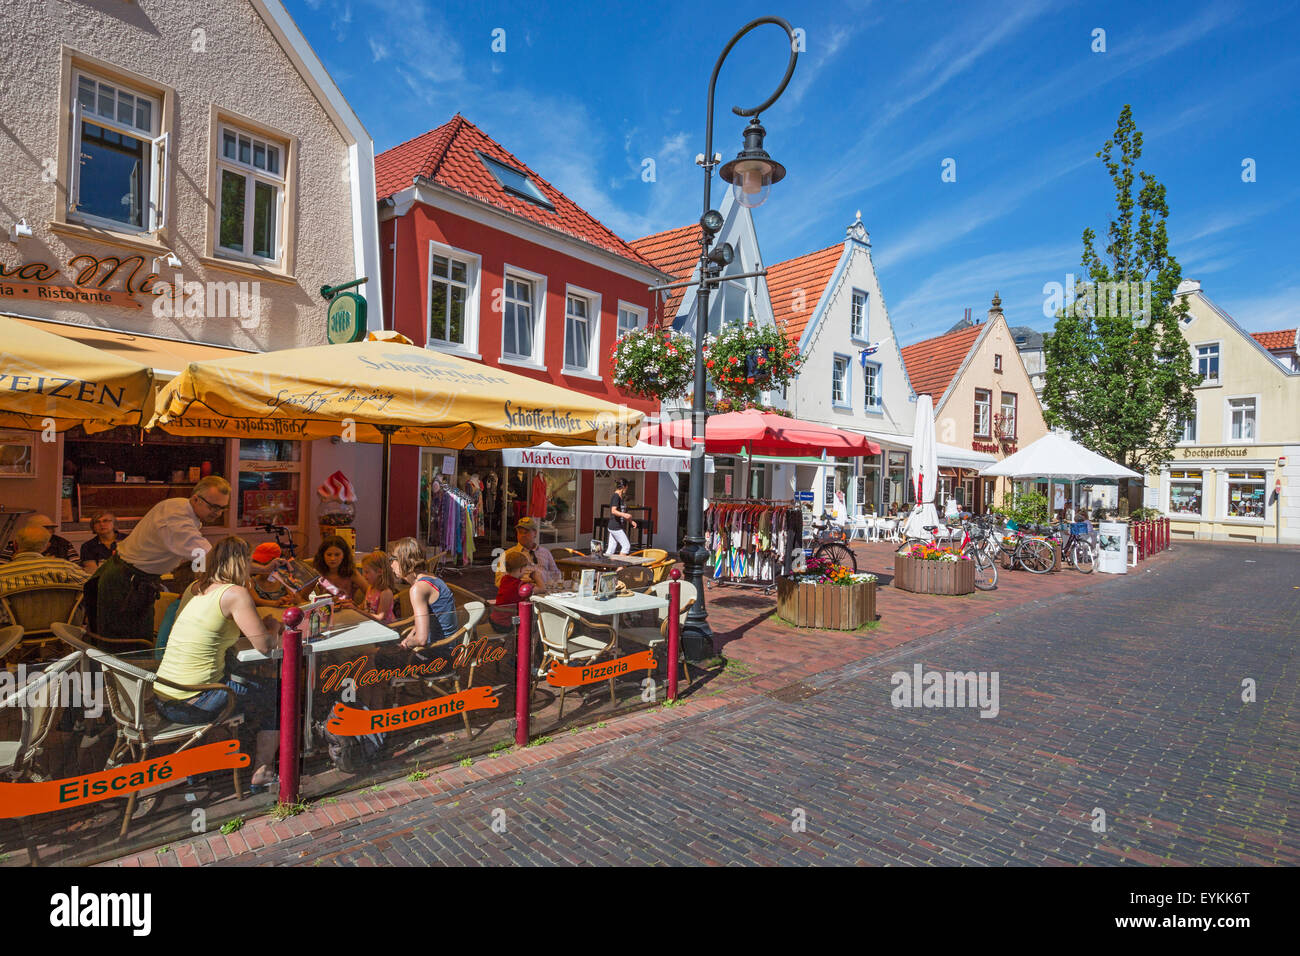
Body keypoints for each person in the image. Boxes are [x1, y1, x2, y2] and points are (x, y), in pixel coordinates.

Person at [154, 536, 282, 790]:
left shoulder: (196, 588)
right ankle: (263, 770)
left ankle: (213, 758)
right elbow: (266, 647)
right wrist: (273, 626)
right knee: (276, 694)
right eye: (248, 560)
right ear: (242, 562)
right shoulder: (235, 594)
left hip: (163, 695)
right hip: (196, 701)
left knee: (246, 683)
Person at [85, 476, 229, 641]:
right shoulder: (176, 519)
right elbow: (206, 554)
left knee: (136, 642)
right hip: (124, 582)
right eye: (213, 507)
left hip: (132, 578)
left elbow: (197, 555)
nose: (217, 513)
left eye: (223, 508)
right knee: (123, 647)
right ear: (196, 498)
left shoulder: (180, 505)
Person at [0, 525, 88, 625]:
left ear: (15, 545)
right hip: (62, 631)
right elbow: (93, 586)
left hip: (15, 635)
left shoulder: (2, 573)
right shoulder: (65, 567)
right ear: (46, 547)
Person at [388, 537, 459, 658]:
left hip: (436, 658)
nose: (390, 565)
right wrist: (411, 635)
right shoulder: (432, 578)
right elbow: (427, 620)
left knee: (380, 657)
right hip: (449, 652)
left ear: (402, 560)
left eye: (392, 559)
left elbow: (421, 640)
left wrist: (405, 644)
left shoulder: (418, 589)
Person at [293, 536, 366, 607]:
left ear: (344, 555)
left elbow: (371, 592)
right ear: (322, 555)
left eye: (337, 555)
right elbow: (303, 597)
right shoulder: (318, 574)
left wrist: (359, 608)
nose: (333, 558)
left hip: (346, 612)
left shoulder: (351, 572)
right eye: (329, 554)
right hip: (324, 613)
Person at [495, 517, 562, 589]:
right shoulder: (507, 555)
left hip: (545, 591)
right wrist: (519, 583)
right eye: (520, 532)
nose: (523, 535)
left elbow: (556, 575)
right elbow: (499, 581)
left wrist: (542, 578)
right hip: (520, 594)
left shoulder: (545, 552)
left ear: (535, 533)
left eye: (526, 532)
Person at [1, 514, 77, 563]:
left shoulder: (63, 544)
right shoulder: (16, 543)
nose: (53, 531)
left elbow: (77, 564)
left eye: (52, 528)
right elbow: (2, 564)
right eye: (47, 528)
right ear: (31, 529)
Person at [490, 550, 534, 634]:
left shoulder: (504, 579)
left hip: (494, 620)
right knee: (534, 623)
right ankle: (525, 645)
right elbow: (541, 588)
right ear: (521, 569)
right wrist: (537, 576)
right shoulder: (521, 585)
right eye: (525, 568)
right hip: (506, 624)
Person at [357, 551, 397, 626]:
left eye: (367, 572)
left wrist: (356, 610)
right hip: (372, 626)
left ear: (379, 572)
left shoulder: (385, 592)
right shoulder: (370, 588)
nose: (364, 575)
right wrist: (352, 605)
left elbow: (380, 618)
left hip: (386, 629)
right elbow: (364, 606)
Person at [605, 478, 637, 555]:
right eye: (627, 487)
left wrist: (631, 521)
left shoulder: (620, 497)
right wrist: (624, 515)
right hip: (615, 526)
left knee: (611, 549)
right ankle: (620, 566)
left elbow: (622, 512)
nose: (627, 489)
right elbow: (613, 511)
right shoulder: (616, 496)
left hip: (615, 526)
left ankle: (605, 566)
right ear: (624, 487)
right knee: (626, 546)